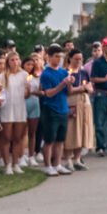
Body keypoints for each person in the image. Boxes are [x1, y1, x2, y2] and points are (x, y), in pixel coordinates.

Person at [37, 46, 73, 176]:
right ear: (50, 57)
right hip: (51, 109)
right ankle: (47, 165)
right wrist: (62, 84)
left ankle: (57, 164)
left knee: (60, 139)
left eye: (61, 57)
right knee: (49, 140)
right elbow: (49, 93)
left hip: (63, 108)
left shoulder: (64, 72)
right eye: (56, 56)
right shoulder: (46, 74)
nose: (59, 59)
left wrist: (69, 84)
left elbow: (69, 92)